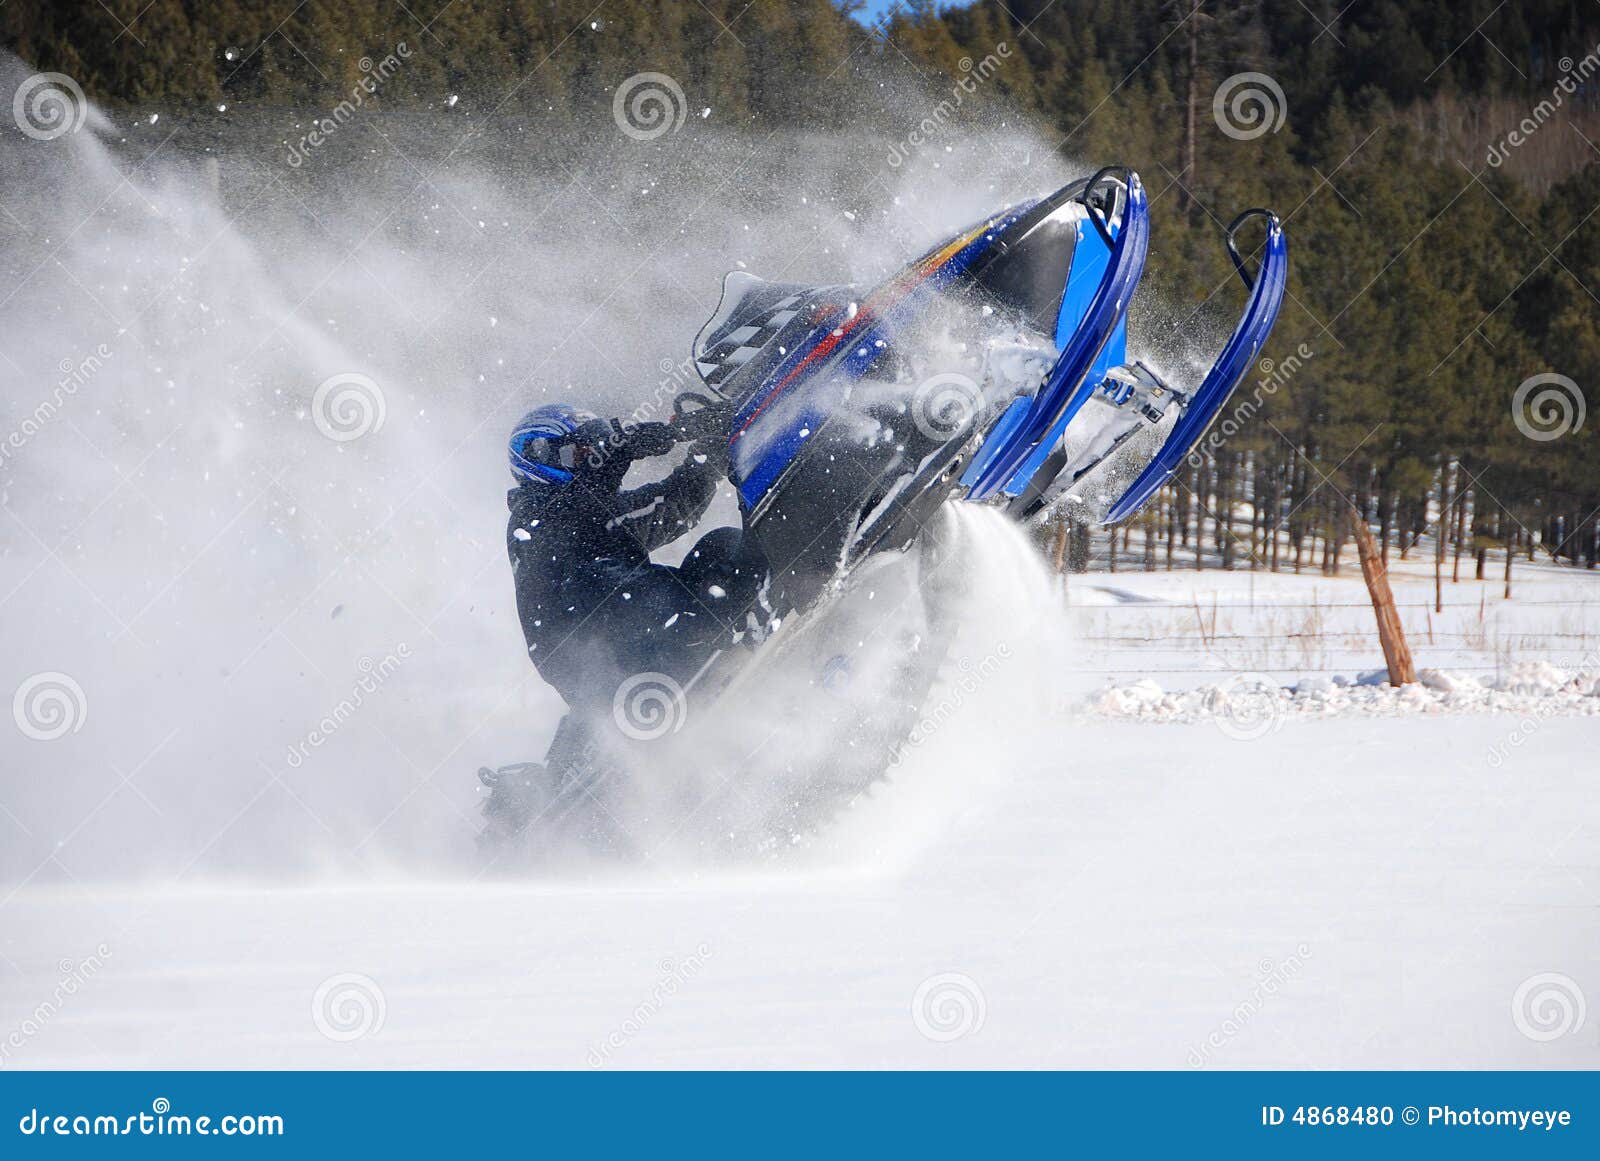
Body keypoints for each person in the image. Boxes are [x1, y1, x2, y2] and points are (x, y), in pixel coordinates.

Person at [479, 402, 766, 844]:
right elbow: (660, 503)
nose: (586, 462)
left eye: (587, 452)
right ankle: (744, 630)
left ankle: (723, 649)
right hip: (617, 639)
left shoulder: (582, 519)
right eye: (574, 455)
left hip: (618, 643)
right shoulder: (545, 518)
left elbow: (669, 509)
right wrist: (649, 444)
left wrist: (695, 450)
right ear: (537, 461)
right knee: (726, 552)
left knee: (722, 548)